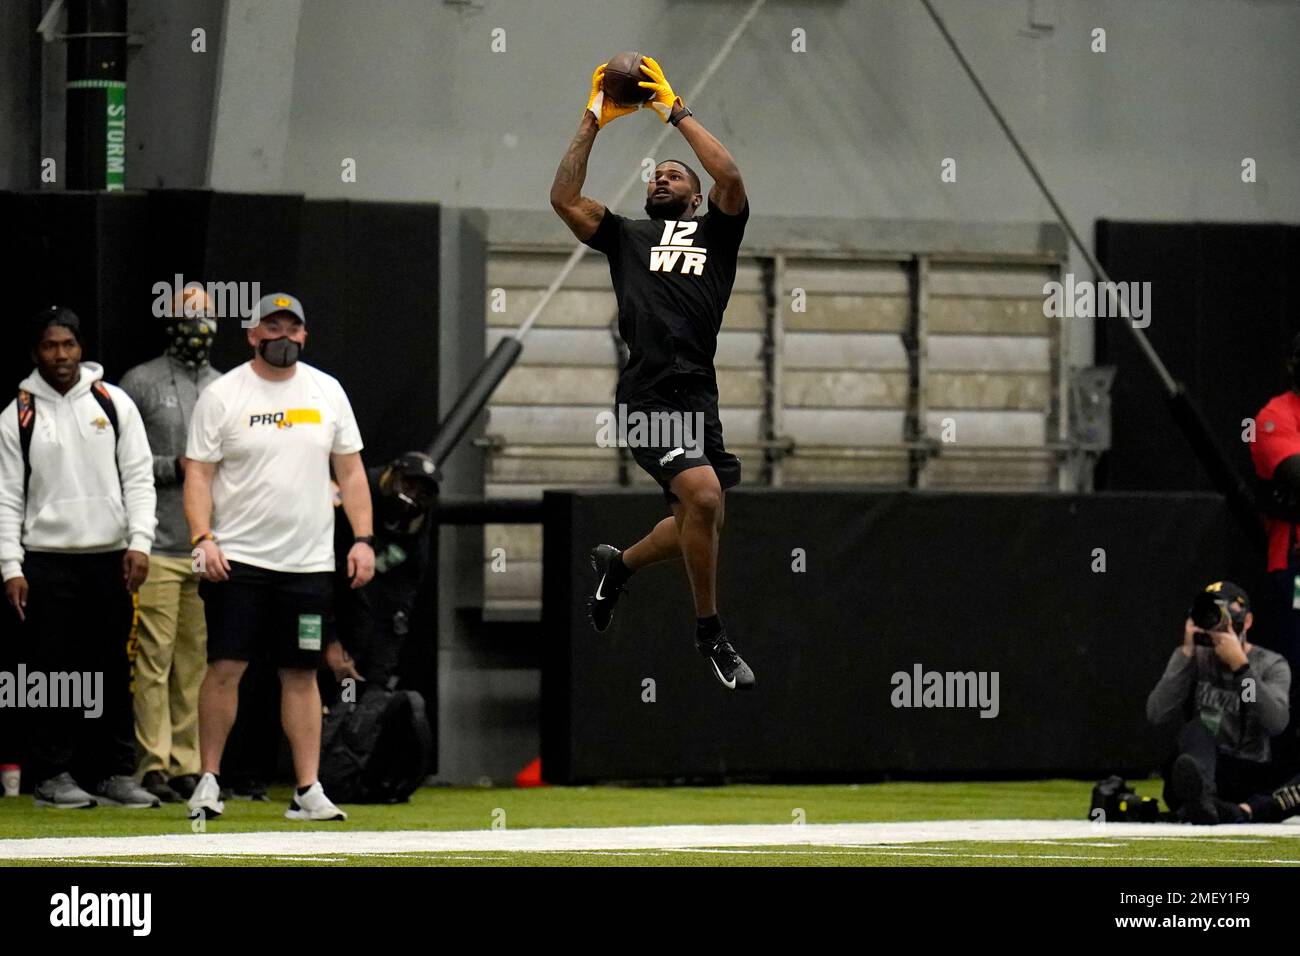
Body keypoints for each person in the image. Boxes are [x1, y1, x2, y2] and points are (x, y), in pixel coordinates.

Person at [549, 57, 755, 690]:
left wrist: (674, 109)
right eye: (656, 173)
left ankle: (621, 565)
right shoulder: (626, 237)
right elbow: (562, 198)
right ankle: (711, 635)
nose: (662, 176)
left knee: (702, 519)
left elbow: (731, 174)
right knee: (705, 497)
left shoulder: (718, 234)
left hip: (699, 392)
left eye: (675, 174)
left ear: (694, 197)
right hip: (647, 393)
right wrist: (593, 119)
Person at [183, 292, 374, 821]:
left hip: (308, 564)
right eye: (272, 327)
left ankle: (307, 790)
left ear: (305, 335)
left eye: (292, 328)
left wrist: (362, 538)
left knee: (301, 672)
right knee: (224, 668)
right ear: (251, 335)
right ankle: (208, 781)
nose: (283, 336)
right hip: (237, 560)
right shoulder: (222, 395)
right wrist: (203, 538)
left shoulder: (327, 391)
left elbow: (352, 472)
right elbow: (197, 473)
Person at [0, 307, 159, 809]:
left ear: (81, 348)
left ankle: (113, 772)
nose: (61, 355)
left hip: (110, 558)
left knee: (112, 667)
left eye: (68, 345)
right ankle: (53, 773)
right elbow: (7, 497)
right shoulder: (18, 414)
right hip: (46, 561)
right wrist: (11, 566)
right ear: (35, 353)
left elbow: (139, 477)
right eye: (50, 346)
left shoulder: (114, 403)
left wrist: (140, 542)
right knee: (53, 674)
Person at [118, 288, 222, 803]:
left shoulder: (227, 388)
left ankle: (187, 764)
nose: (197, 323)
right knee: (152, 661)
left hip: (205, 546)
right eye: (188, 314)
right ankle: (151, 764)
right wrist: (173, 466)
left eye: (205, 314)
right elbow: (122, 459)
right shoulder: (139, 383)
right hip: (156, 541)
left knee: (194, 665)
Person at [1146, 581, 1291, 823]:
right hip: (1199, 770)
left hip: (1249, 772)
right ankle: (1205, 802)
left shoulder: (1270, 664)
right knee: (1197, 728)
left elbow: (1276, 723)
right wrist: (1186, 653)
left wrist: (1241, 667)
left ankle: (1221, 808)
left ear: (1247, 622)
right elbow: (1156, 713)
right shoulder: (1195, 657)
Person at [325, 451, 437, 694]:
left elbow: (407, 583)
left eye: (421, 492)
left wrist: (381, 669)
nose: (412, 496)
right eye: (408, 485)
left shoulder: (416, 520)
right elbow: (319, 575)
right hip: (323, 583)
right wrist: (330, 639)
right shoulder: (352, 495)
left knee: (372, 661)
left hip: (370, 589)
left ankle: (359, 700)